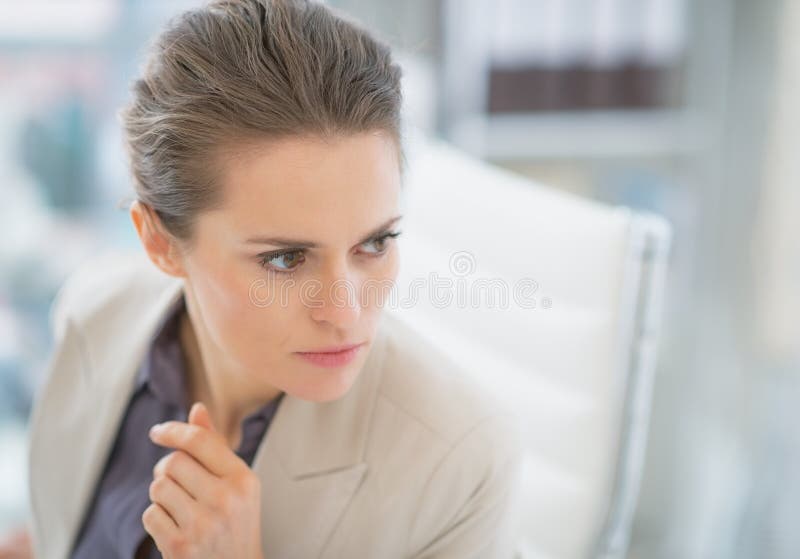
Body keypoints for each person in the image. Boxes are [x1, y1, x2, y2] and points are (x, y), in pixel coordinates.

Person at [2, 0, 526, 557]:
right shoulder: (93, 311)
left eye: (375, 243)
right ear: (159, 242)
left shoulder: (460, 463)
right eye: (285, 259)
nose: (345, 312)